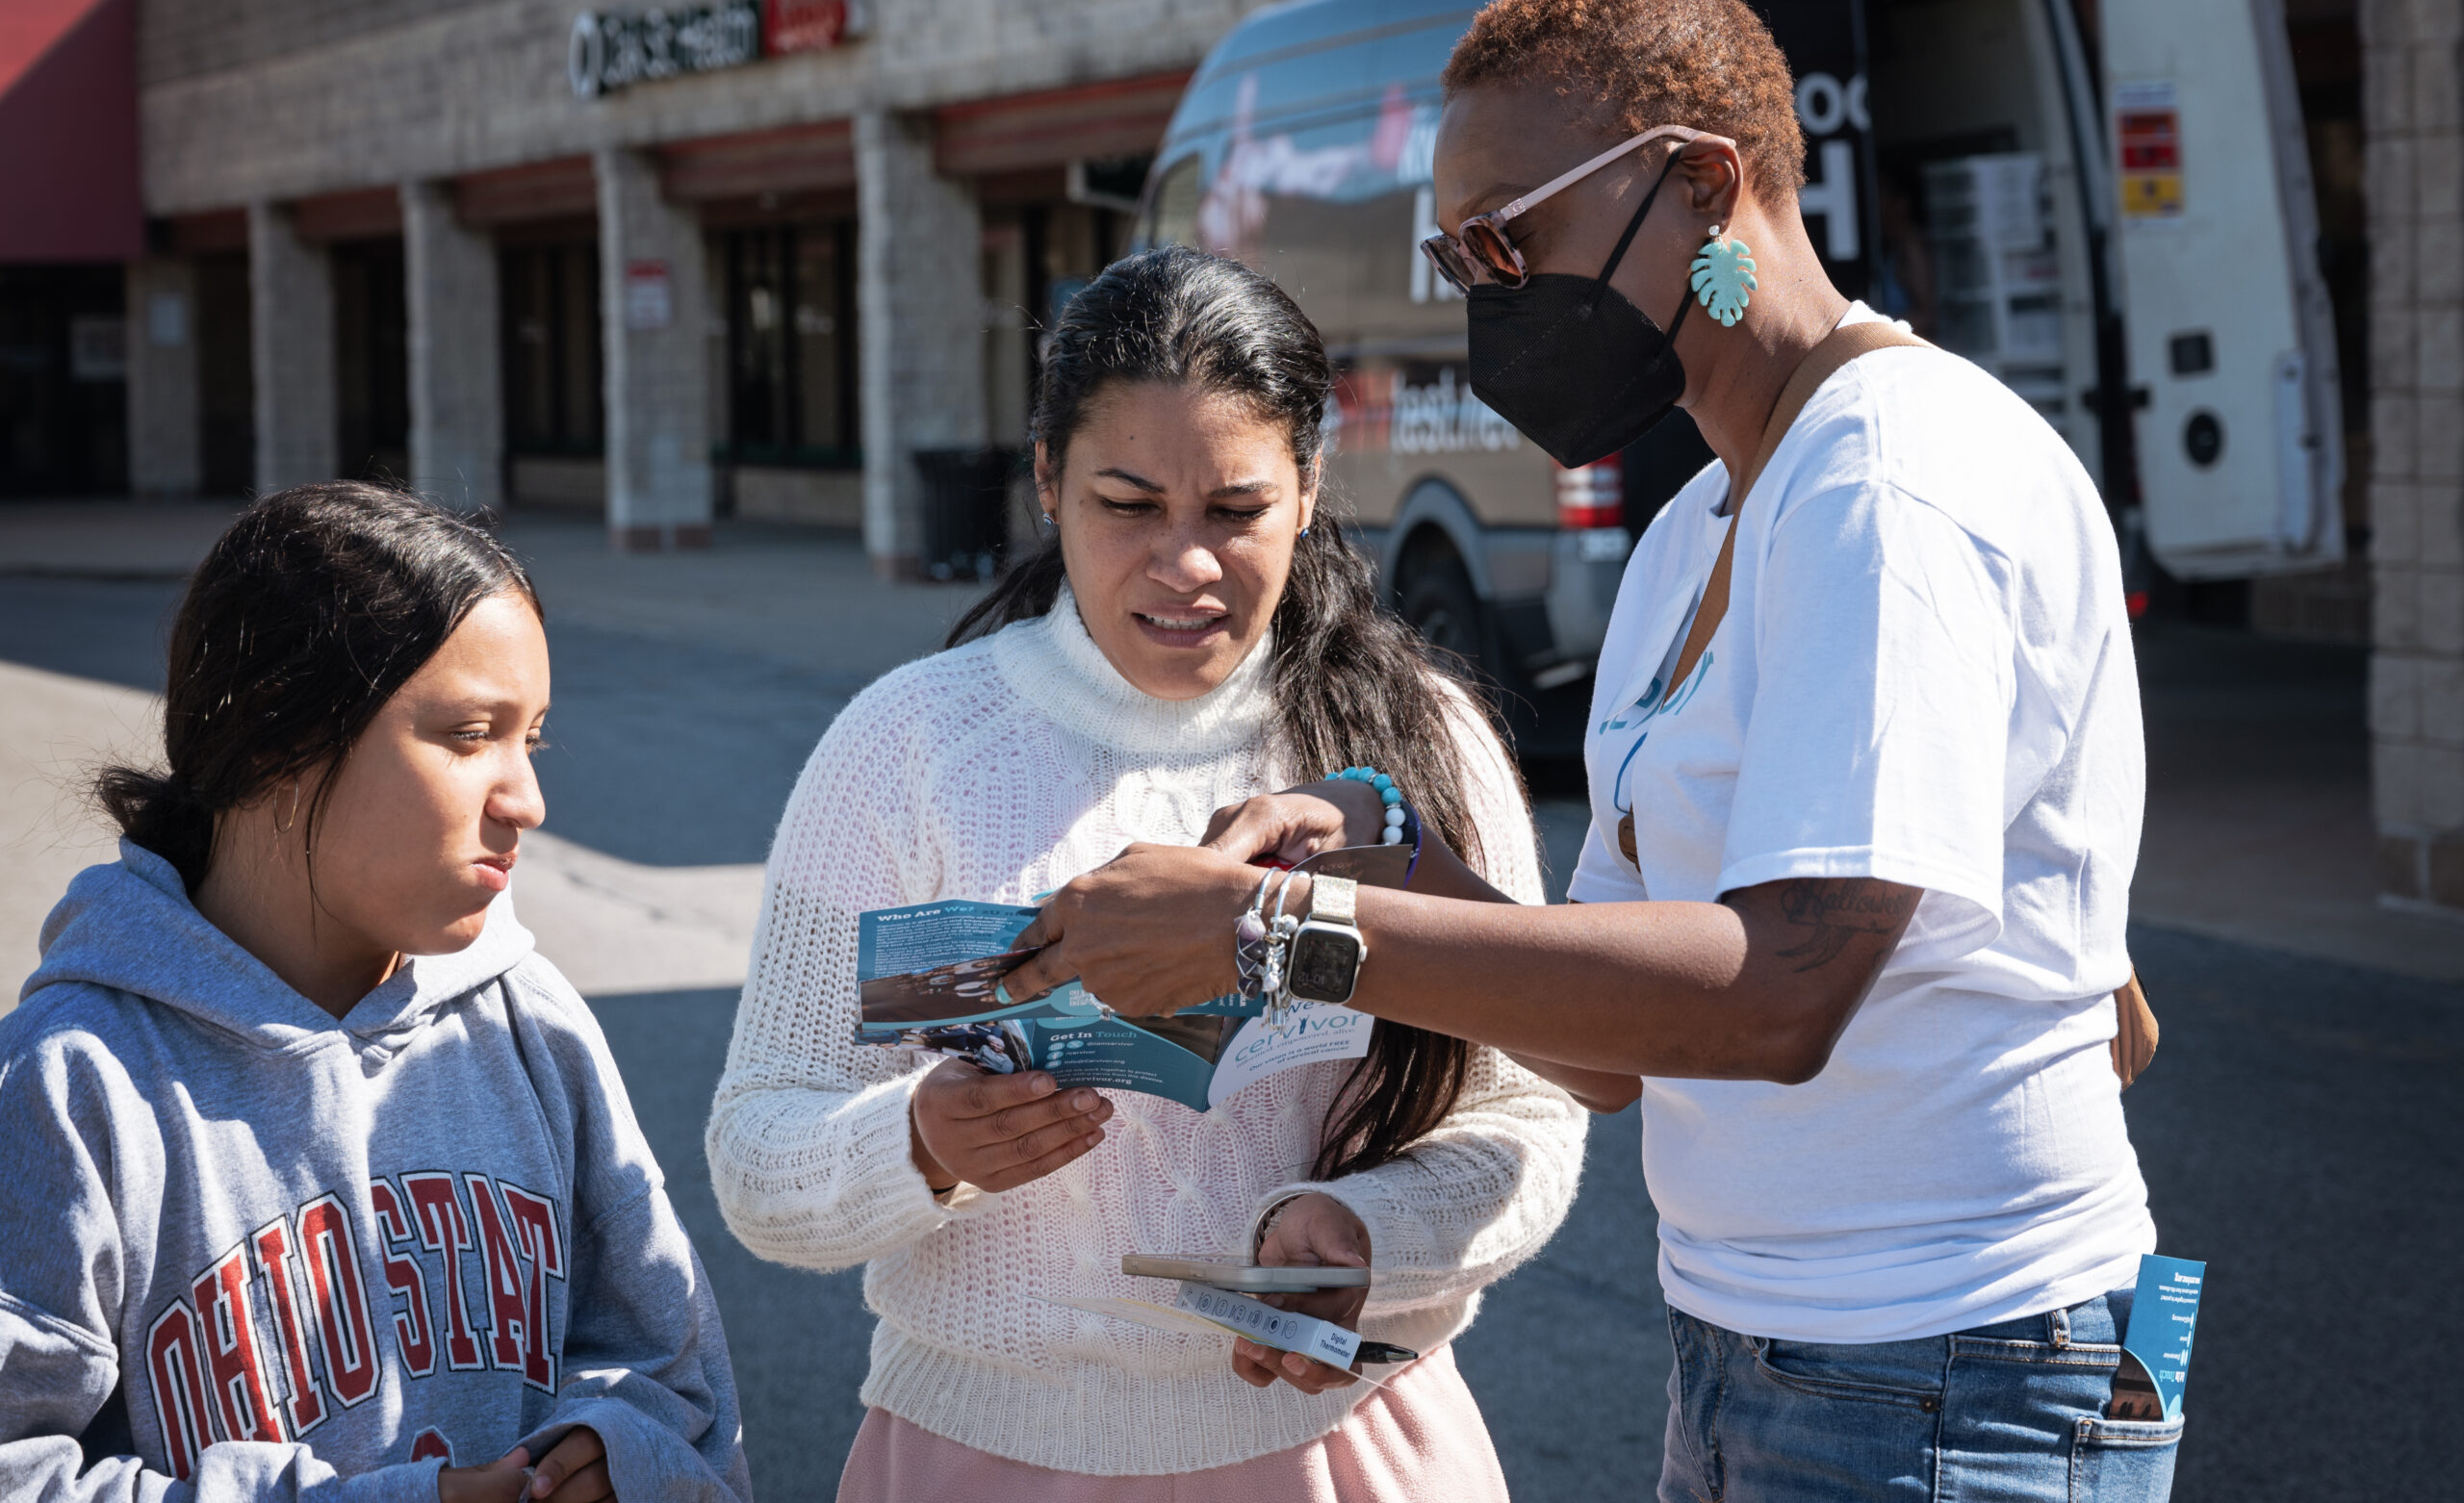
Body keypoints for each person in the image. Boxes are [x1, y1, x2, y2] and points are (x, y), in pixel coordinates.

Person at [1008, 0, 2179, 1499]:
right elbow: (1618, 1052)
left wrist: (1275, 929)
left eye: (1512, 240)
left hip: (1954, 1365)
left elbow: (1781, 991)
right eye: (1458, 257)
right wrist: (1409, 874)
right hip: (1756, 1348)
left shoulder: (1890, 478)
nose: (1490, 296)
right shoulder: (1701, 522)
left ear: (1703, 184)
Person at [704, 246, 1584, 1500]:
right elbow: (756, 1155)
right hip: (980, 1453)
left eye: (1235, 509)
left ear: (1309, 485)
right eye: (1128, 503)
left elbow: (1528, 1116)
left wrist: (1371, 1231)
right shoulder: (903, 749)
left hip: (1351, 1449)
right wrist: (917, 1140)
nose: (1185, 564)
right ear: (1049, 480)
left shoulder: (1416, 742)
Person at [0, 483, 749, 1503]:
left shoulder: (534, 1021)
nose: (525, 798)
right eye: (468, 732)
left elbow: (677, 1378)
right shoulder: (73, 1079)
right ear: (275, 740)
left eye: (530, 738)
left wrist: (614, 1448)